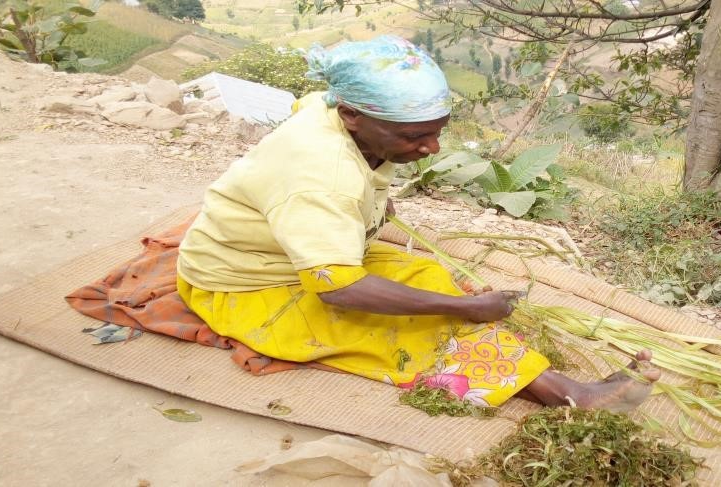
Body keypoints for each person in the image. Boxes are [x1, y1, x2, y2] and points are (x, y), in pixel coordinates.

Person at [175, 35, 658, 411]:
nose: (432, 148)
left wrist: (372, 203)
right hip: (248, 287)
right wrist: (461, 308)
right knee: (412, 324)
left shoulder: (332, 110)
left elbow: (308, 103)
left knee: (428, 276)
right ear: (354, 116)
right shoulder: (323, 179)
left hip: (290, 252)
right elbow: (336, 289)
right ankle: (566, 394)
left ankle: (522, 363)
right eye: (414, 136)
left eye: (437, 132)